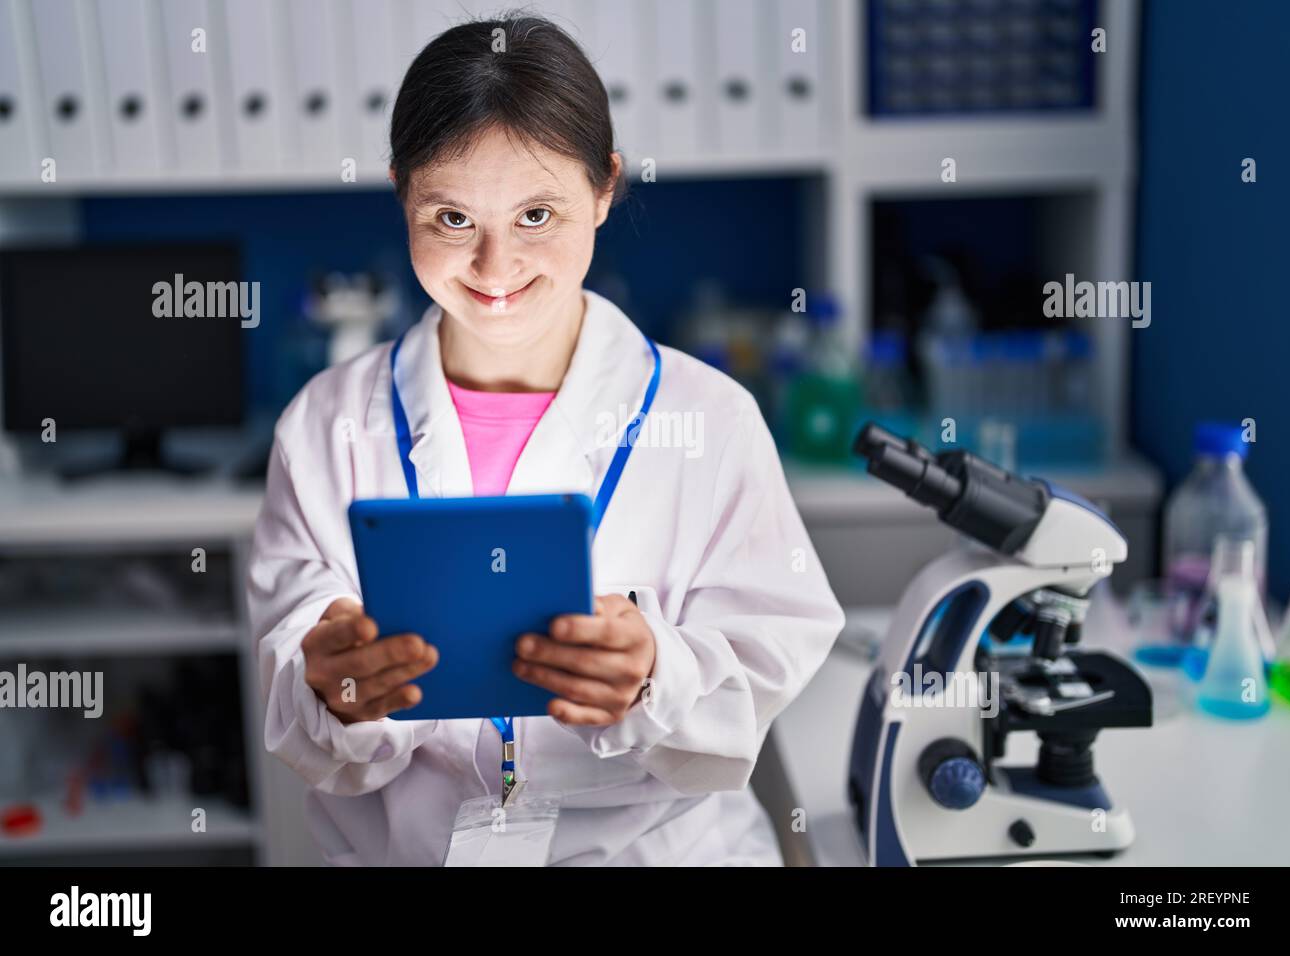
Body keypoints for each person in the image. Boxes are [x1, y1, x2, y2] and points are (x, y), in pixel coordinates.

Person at [246, 13, 845, 866]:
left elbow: (772, 650)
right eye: (451, 218)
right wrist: (334, 686)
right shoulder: (323, 425)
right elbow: (291, 671)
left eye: (537, 213)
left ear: (604, 187)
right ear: (400, 191)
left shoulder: (710, 417)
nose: (495, 269)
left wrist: (654, 675)